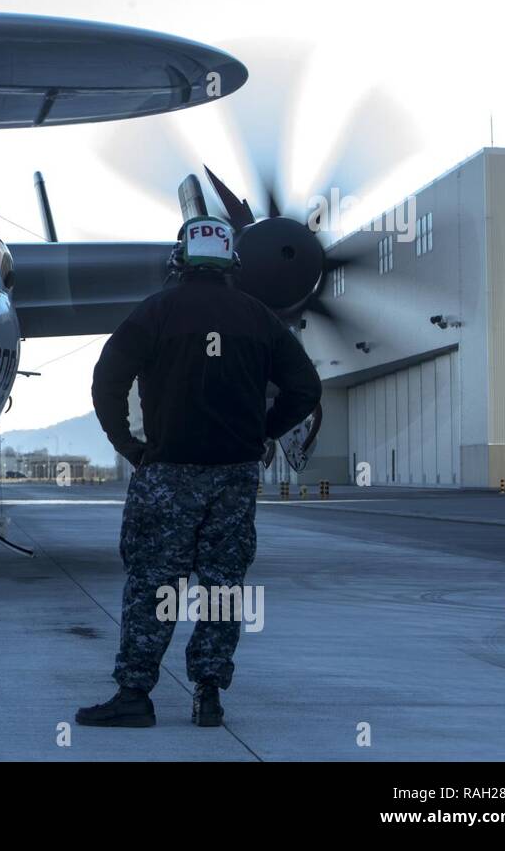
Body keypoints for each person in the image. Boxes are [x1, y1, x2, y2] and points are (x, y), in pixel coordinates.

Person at [78, 215, 322, 728]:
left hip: (167, 473)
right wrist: (262, 432)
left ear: (179, 260)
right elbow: (306, 390)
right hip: (234, 477)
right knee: (222, 586)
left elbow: (107, 381)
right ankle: (208, 694)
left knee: (153, 583)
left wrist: (128, 444)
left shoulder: (155, 313)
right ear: (232, 260)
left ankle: (134, 696)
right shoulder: (259, 319)